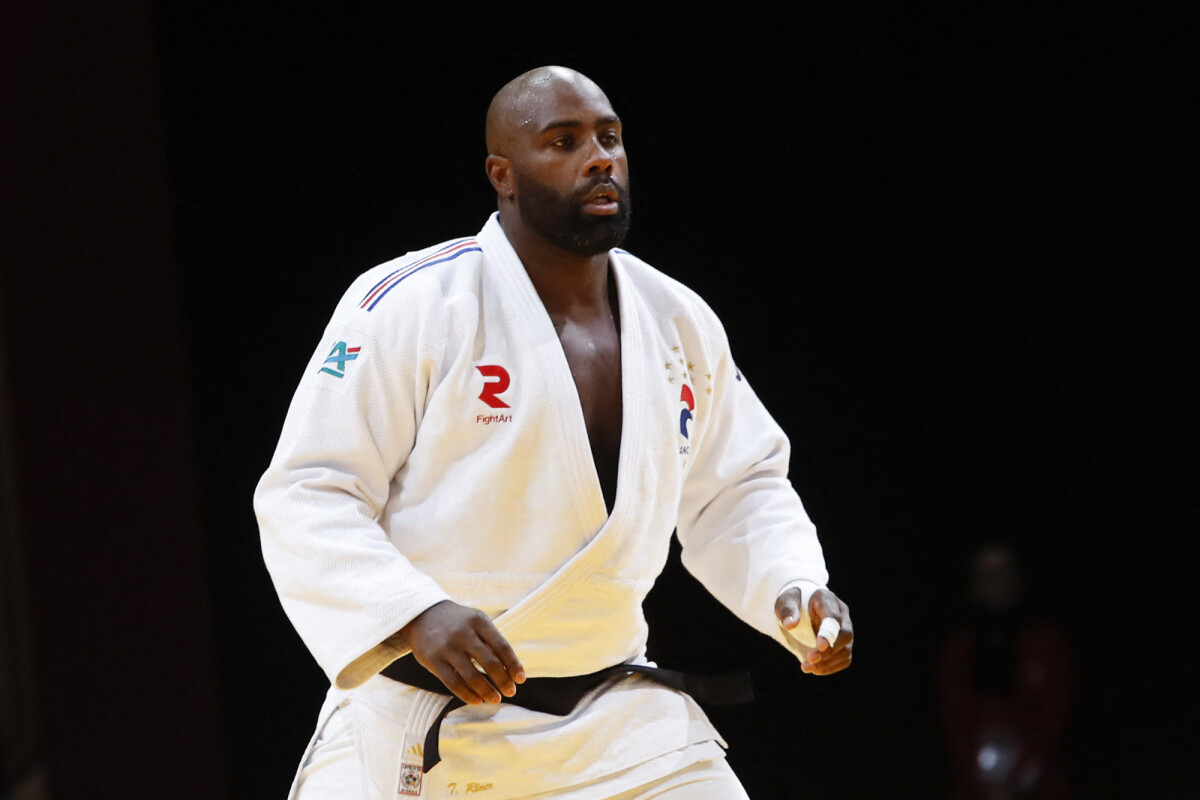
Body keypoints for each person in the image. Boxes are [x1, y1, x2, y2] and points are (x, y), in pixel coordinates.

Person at [255, 65, 853, 800]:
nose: (599, 157)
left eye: (609, 137)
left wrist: (792, 584)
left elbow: (735, 486)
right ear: (502, 174)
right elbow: (308, 491)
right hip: (430, 719)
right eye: (563, 141)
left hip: (617, 723)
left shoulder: (677, 319)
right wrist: (412, 612)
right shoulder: (414, 303)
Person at [937, 543, 1075, 800]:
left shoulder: (1048, 643)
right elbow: (953, 718)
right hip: (975, 785)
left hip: (1041, 782)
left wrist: (1022, 773)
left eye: (1003, 573)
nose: (996, 583)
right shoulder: (959, 648)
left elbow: (1056, 713)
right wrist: (983, 780)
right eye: (986, 576)